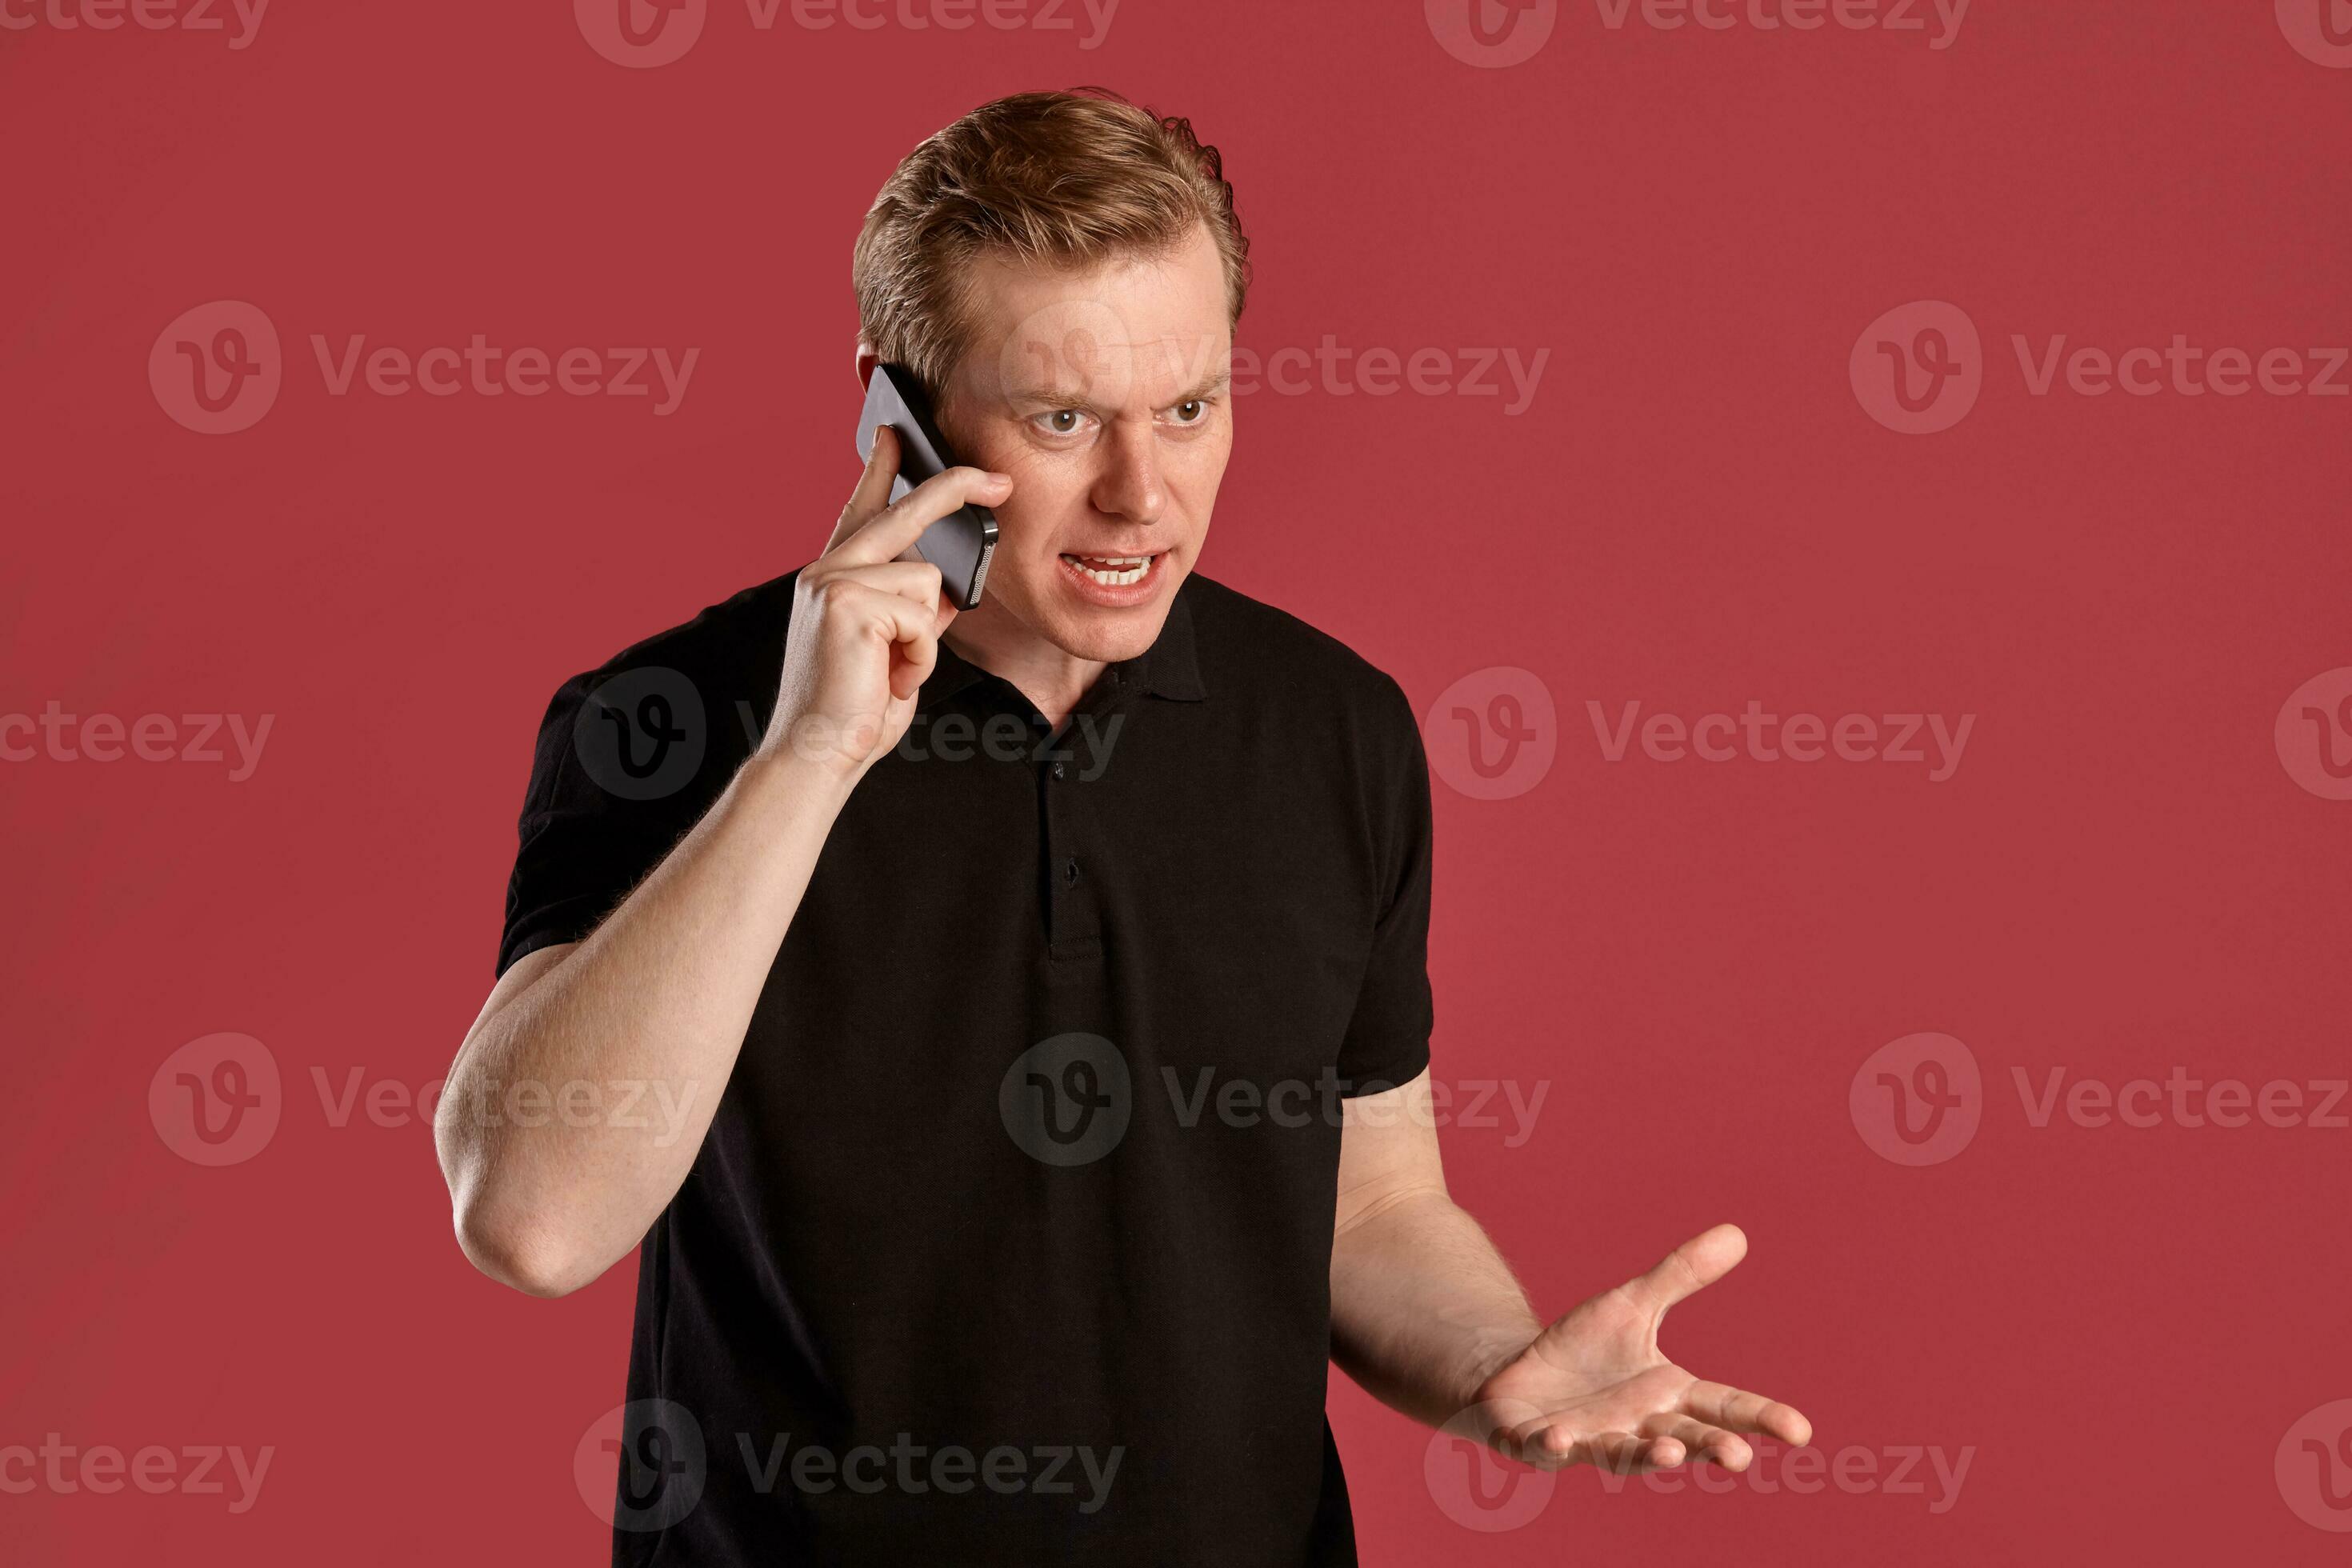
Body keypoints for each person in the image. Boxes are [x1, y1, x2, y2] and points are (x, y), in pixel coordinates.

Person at [434, 86, 1810, 1567]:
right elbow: (533, 1223)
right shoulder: (669, 721)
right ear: (896, 411)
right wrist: (812, 752)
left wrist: (1496, 1369)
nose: (1140, 496)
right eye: (1064, 418)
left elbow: (1367, 1201)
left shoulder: (1334, 727)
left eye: (1189, 409)